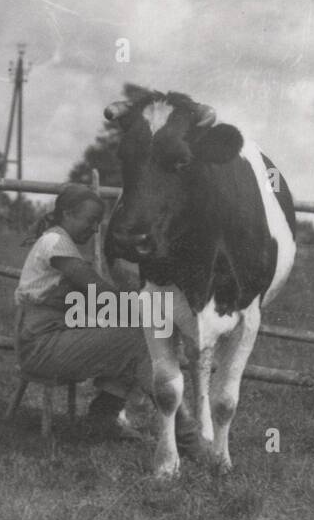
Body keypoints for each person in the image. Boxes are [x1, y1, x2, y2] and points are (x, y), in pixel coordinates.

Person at [15, 183, 203, 449]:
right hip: (41, 345)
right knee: (145, 339)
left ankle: (105, 413)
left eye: (97, 223)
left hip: (52, 337)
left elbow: (92, 301)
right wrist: (151, 309)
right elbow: (97, 290)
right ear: (67, 213)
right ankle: (187, 435)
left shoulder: (59, 241)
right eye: (90, 221)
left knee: (142, 334)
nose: (94, 229)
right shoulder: (54, 242)